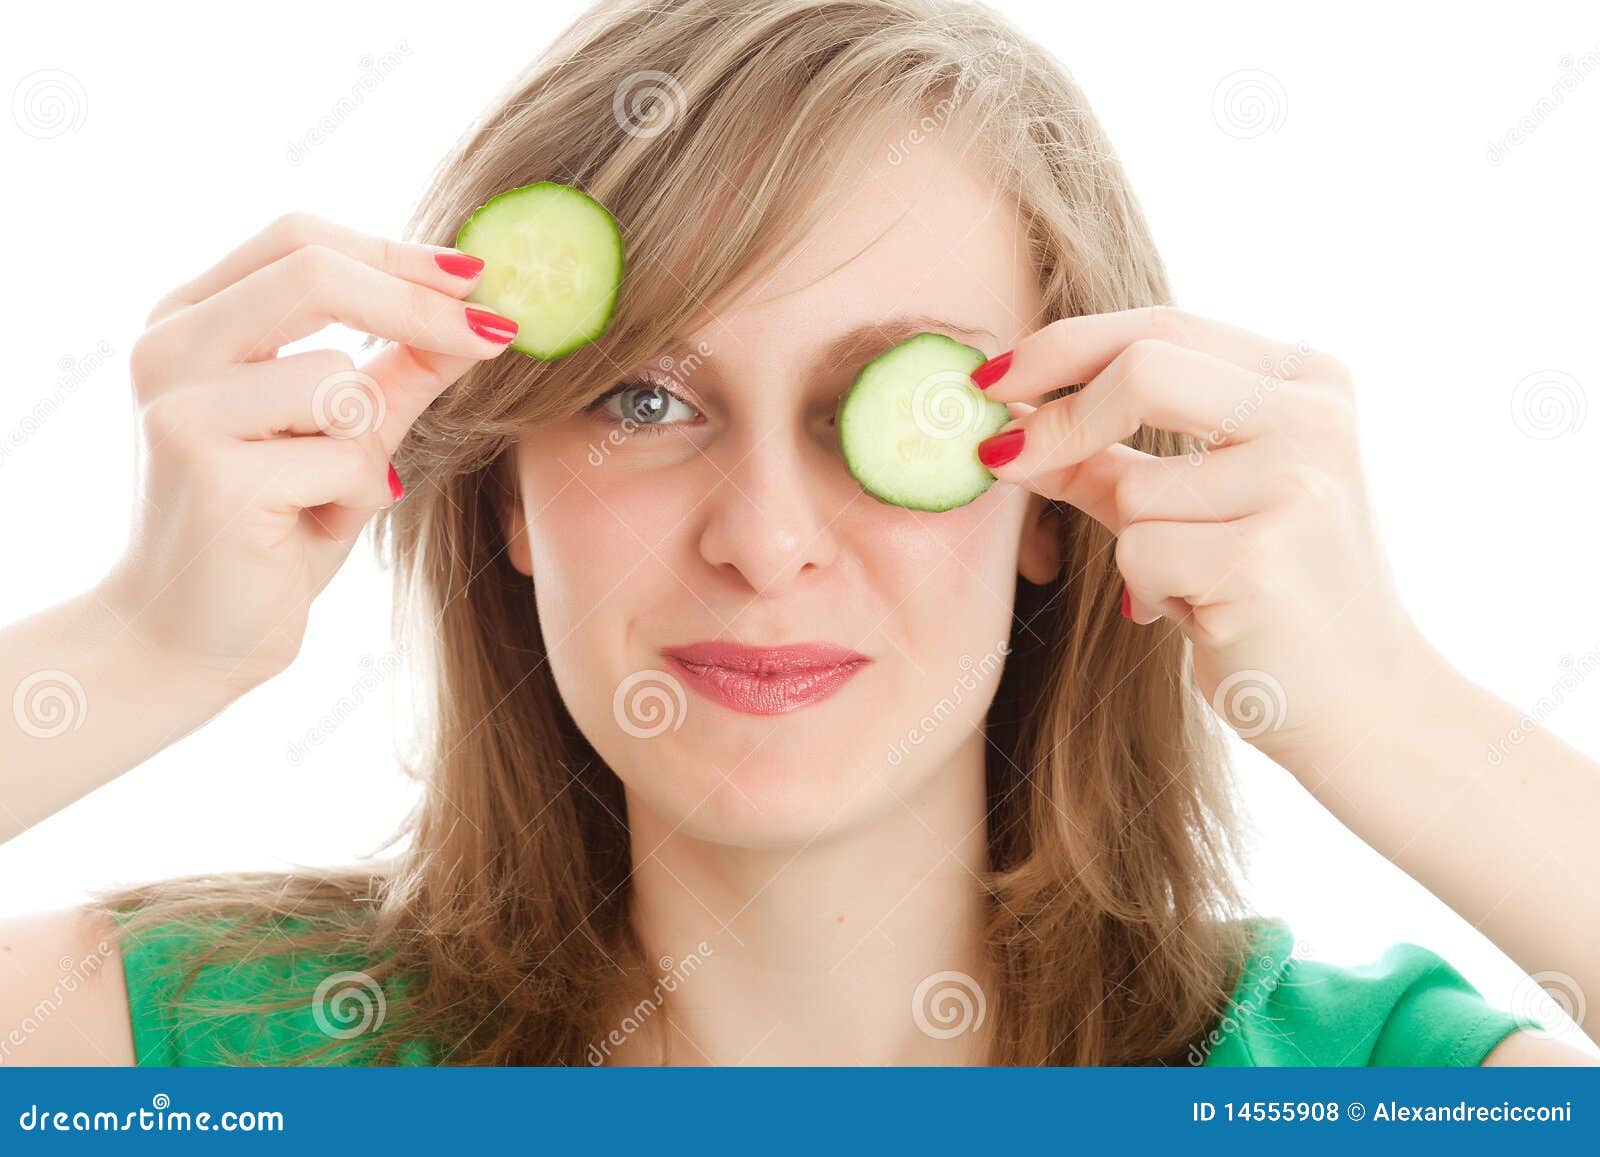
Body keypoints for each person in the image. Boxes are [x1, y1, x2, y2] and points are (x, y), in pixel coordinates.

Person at [2, 0, 1595, 1066]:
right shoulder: (193, 1049)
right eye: (643, 401)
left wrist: (1394, 716)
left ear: (1052, 500)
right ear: (503, 498)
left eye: (887, 413)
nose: (766, 542)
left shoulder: (1346, 1080)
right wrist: (138, 649)